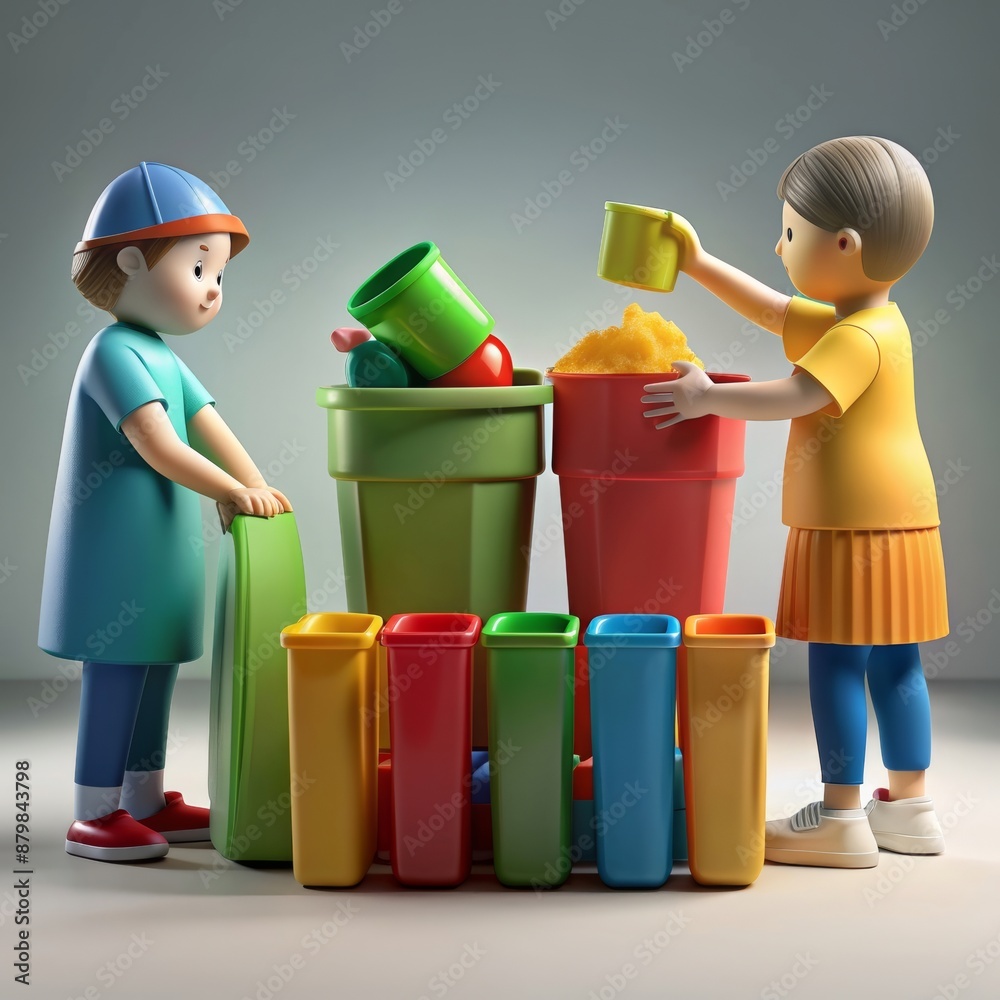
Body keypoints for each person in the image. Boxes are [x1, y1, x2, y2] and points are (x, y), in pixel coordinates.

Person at [641, 136, 948, 868]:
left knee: (837, 661)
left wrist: (704, 398)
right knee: (896, 663)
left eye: (789, 233)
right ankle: (909, 808)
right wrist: (697, 262)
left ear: (844, 244)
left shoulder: (857, 339)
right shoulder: (872, 321)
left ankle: (841, 817)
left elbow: (796, 395)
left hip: (849, 526)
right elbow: (778, 312)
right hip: (902, 518)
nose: (779, 247)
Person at [38, 162, 292, 862]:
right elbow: (156, 440)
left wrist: (253, 480)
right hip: (116, 560)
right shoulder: (112, 353)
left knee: (156, 671)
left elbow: (209, 422)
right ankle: (95, 810)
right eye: (200, 266)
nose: (213, 290)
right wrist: (229, 492)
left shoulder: (158, 353)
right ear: (129, 261)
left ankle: (145, 797)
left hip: (159, 561)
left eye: (217, 274)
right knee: (118, 673)